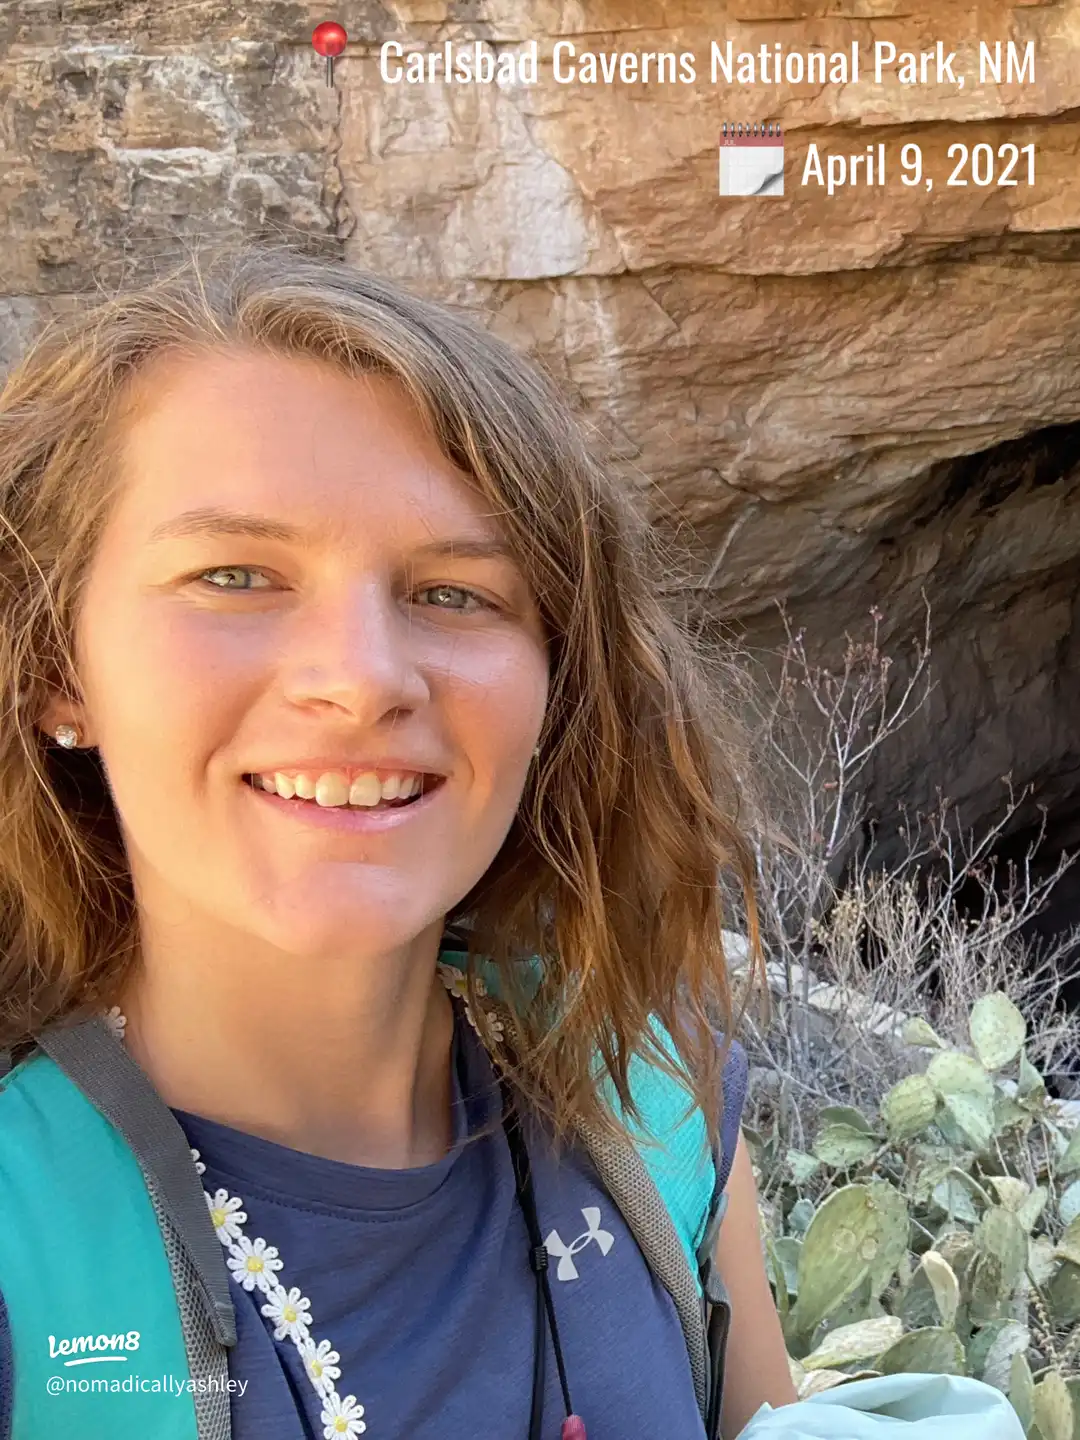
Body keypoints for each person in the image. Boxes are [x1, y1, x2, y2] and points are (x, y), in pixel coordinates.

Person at [0, 243, 795, 1440]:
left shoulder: (648, 1098)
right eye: (235, 575)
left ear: (555, 689)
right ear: (58, 668)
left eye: (454, 593)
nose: (364, 677)